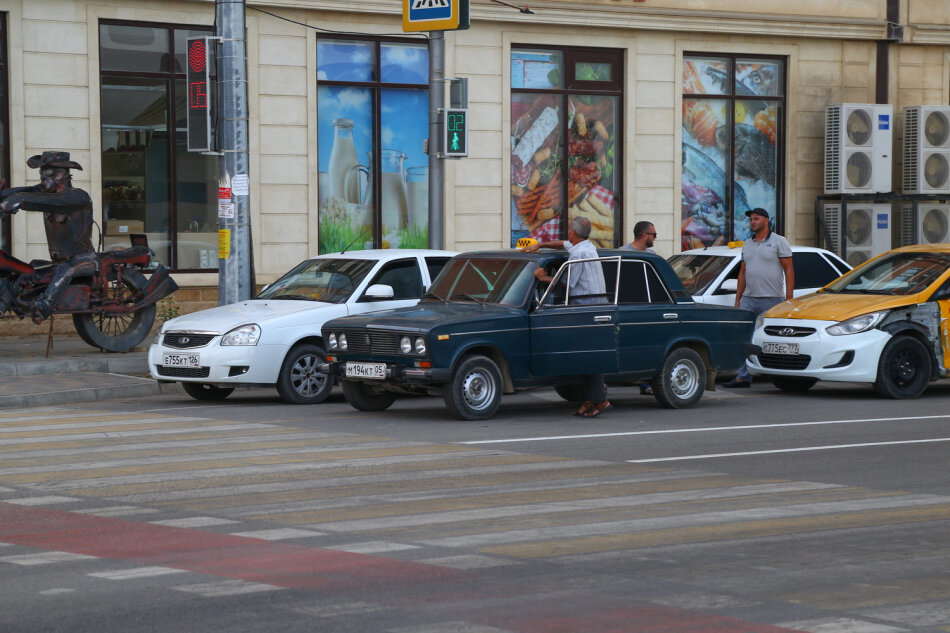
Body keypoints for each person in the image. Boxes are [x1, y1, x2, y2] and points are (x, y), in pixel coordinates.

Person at [521, 216, 611, 418]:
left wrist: (543, 277)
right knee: (582, 359)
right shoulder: (587, 246)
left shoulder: (579, 255)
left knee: (587, 359)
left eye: (569, 230)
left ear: (573, 232)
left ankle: (600, 400)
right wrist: (540, 244)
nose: (567, 234)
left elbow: (568, 284)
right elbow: (563, 244)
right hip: (595, 310)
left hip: (586, 312)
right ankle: (590, 400)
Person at [0, 151, 96, 322]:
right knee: (27, 270)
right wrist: (5, 195)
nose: (44, 178)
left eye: (49, 173)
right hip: (59, 260)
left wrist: (19, 200)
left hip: (83, 259)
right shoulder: (46, 192)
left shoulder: (77, 196)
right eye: (42, 173)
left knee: (66, 269)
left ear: (63, 174)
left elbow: (50, 202)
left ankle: (45, 306)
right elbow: (25, 191)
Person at [723, 207, 794, 388]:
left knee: (773, 339)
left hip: (772, 299)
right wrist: (738, 300)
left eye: (756, 219)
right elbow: (743, 272)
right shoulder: (747, 243)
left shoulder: (779, 241)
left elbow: (789, 269)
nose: (752, 222)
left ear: (766, 220)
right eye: (750, 220)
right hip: (749, 298)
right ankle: (742, 376)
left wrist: (789, 299)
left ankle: (781, 374)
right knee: (743, 337)